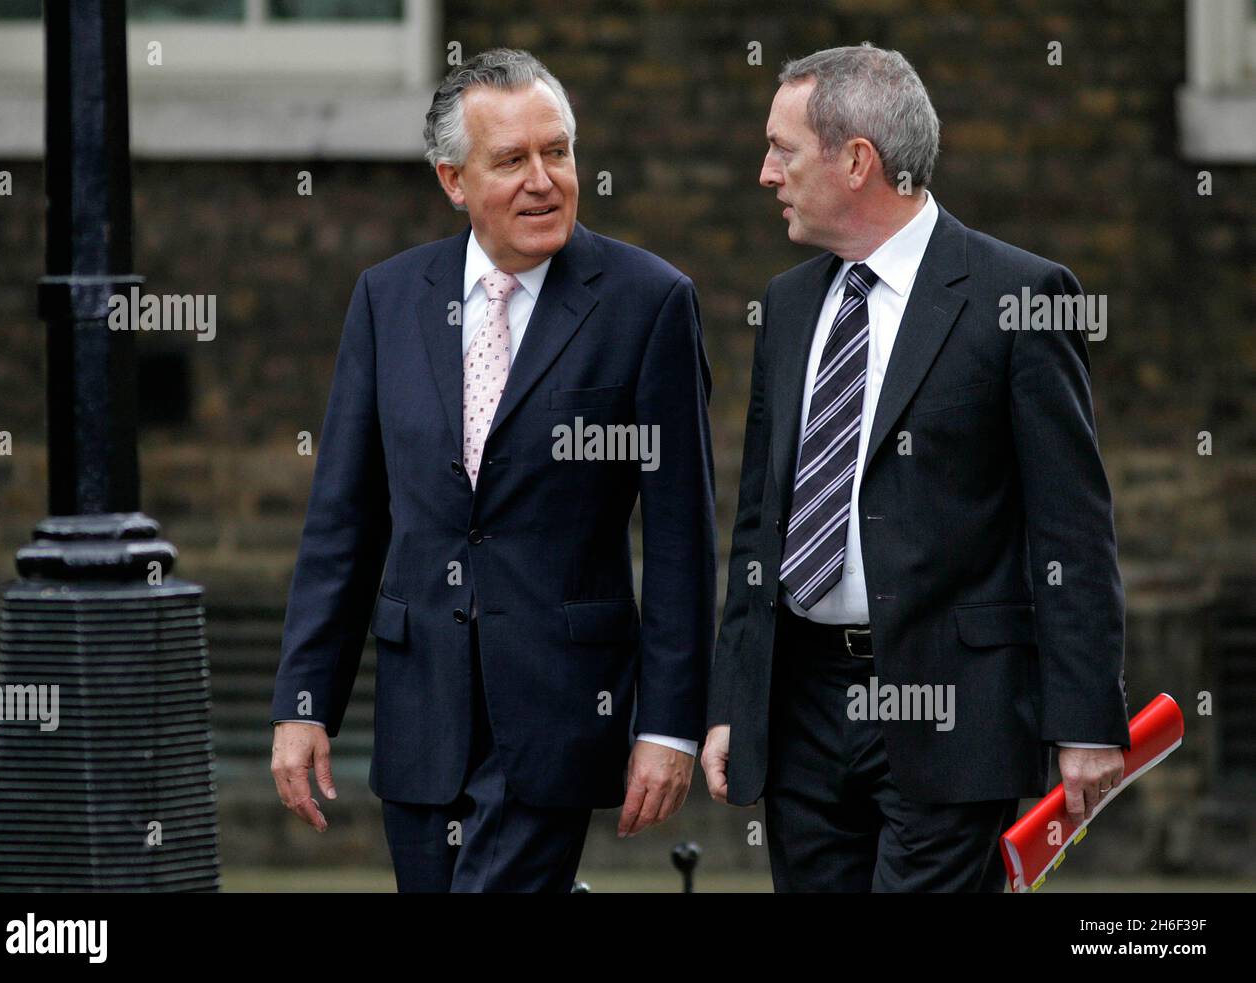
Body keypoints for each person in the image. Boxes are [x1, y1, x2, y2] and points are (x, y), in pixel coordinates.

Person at [270, 48, 715, 892]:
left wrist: (669, 725)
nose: (543, 181)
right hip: (421, 712)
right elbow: (343, 522)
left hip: (558, 707)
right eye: (511, 160)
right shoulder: (388, 298)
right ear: (454, 179)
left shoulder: (648, 302)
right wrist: (304, 701)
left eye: (558, 152)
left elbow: (681, 537)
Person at [701, 43, 1130, 892]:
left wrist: (1086, 720)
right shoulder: (788, 304)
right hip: (802, 711)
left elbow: (1072, 527)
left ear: (857, 160)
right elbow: (759, 522)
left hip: (953, 708)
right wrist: (732, 702)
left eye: (783, 149)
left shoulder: (1020, 295)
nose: (765, 173)